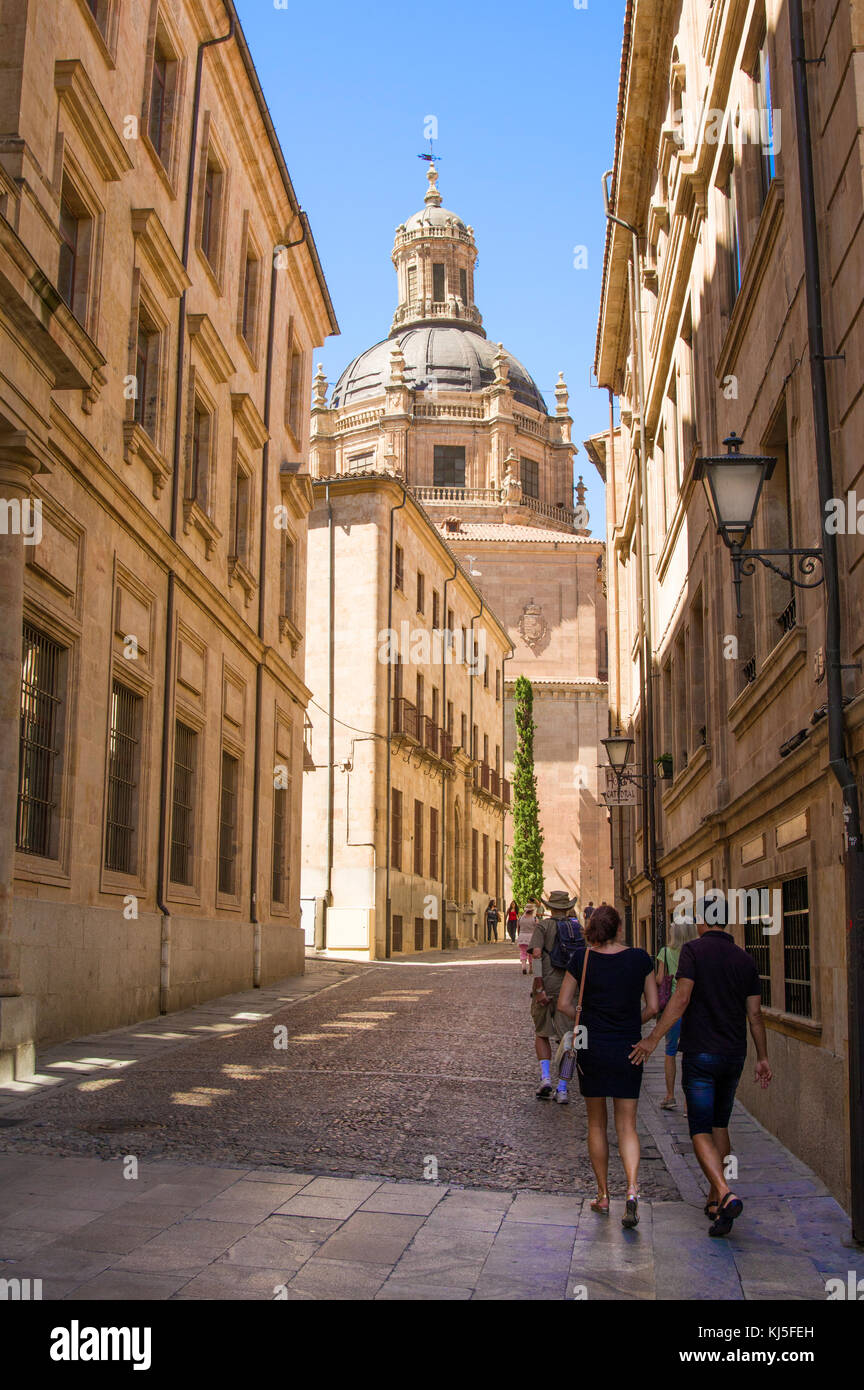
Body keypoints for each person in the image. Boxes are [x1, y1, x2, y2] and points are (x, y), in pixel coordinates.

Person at [630, 898, 772, 1238]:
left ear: (703, 922)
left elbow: (681, 998)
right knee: (720, 1123)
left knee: (699, 1129)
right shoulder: (746, 959)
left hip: (702, 1054)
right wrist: (763, 1057)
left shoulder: (693, 951)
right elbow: (755, 1015)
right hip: (734, 1055)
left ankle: (724, 1191)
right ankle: (714, 1200)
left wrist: (653, 1038)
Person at [558, 903, 657, 1228]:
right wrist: (631, 1020)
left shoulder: (581, 959)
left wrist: (589, 1020)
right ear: (618, 928)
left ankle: (602, 1195)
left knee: (596, 1124)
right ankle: (631, 1190)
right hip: (629, 1048)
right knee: (627, 1125)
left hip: (592, 1047)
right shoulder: (641, 959)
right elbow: (654, 1006)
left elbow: (563, 1004)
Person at [530, 890, 582, 1106]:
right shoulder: (578, 929)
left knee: (542, 1033)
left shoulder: (543, 926)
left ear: (550, 907)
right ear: (568, 907)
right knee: (570, 1038)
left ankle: (545, 1078)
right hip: (570, 991)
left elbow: (536, 955)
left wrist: (539, 986)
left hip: (547, 986)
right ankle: (562, 1089)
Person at [655, 916, 698, 1110]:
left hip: (672, 1009)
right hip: (692, 1008)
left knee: (670, 1051)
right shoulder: (697, 951)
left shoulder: (665, 952)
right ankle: (690, 1104)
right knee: (690, 1054)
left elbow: (658, 978)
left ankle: (670, 1095)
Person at [516, 902, 536, 973]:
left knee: (523, 952)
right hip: (531, 938)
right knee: (531, 953)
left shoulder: (520, 918)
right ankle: (531, 967)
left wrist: (519, 936)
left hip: (522, 937)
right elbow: (537, 929)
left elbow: (518, 928)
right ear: (532, 911)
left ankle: (523, 966)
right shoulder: (534, 919)